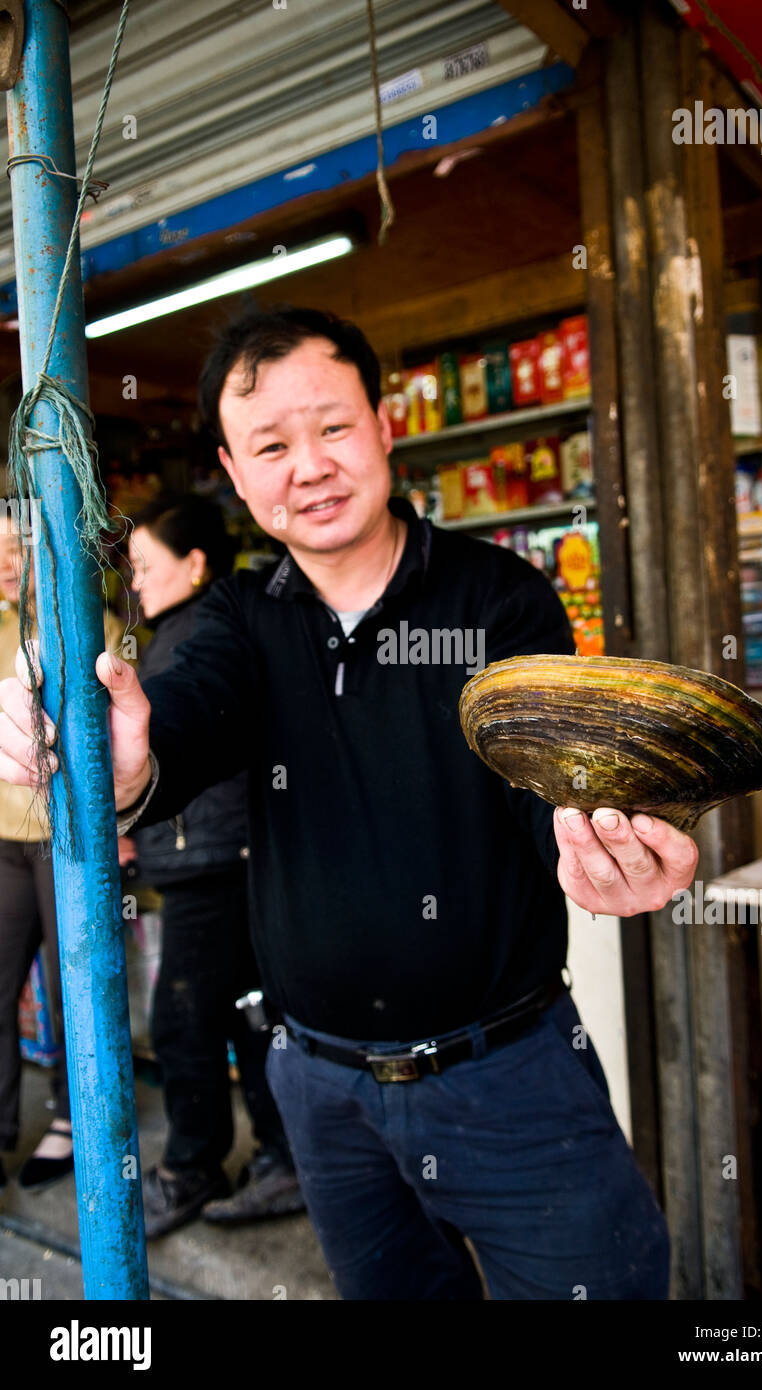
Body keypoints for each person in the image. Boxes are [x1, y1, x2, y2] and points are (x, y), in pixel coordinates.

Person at [0, 307, 699, 1299]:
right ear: (236, 474)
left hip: (509, 1075)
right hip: (321, 1095)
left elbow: (544, 782)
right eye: (271, 445)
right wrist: (122, 762)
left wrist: (593, 844)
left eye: (331, 427)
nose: (308, 465)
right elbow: (181, 724)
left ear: (383, 425)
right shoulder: (242, 617)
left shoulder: (498, 600)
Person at [125, 493, 302, 1236]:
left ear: (195, 564)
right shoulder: (178, 631)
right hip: (215, 856)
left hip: (215, 859)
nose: (132, 584)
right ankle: (279, 1161)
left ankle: (193, 1168)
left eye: (142, 567)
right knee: (248, 1014)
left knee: (185, 1022)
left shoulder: (202, 634)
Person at [0, 510, 123, 1191]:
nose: (8, 564)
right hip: (2, 838)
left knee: (79, 984)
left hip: (69, 836)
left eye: (19, 549)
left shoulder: (93, 627)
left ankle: (72, 1125)